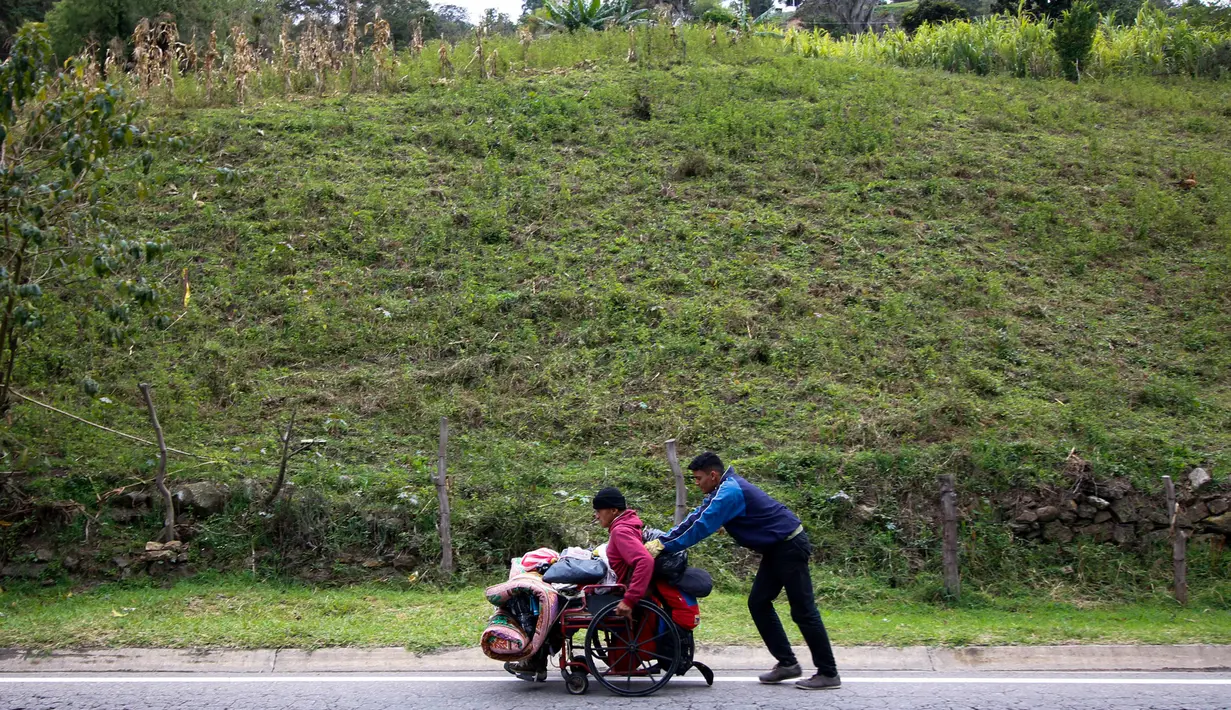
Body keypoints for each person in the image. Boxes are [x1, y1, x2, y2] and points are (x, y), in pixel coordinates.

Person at [644, 451, 841, 691]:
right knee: (758, 603)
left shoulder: (730, 492)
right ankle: (787, 663)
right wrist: (663, 540)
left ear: (713, 475)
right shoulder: (722, 489)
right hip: (777, 549)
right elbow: (696, 518)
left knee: (803, 611)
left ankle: (828, 673)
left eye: (698, 478)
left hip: (789, 546)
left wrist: (664, 545)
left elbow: (701, 528)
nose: (696, 483)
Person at [592, 486, 653, 619]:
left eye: (598, 511)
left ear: (613, 510)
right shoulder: (627, 525)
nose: (596, 516)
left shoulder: (620, 531)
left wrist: (629, 600)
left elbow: (645, 560)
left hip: (619, 594)